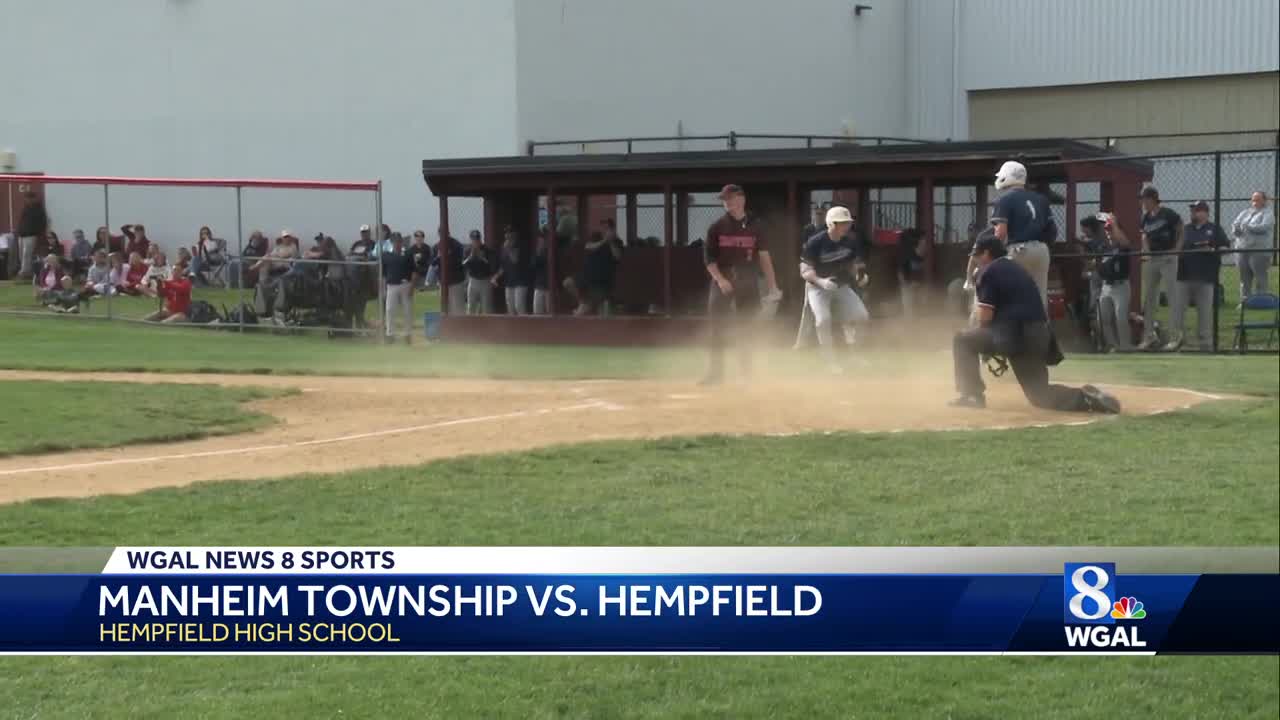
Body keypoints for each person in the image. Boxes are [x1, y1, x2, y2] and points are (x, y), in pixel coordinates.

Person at [950, 232, 1120, 414]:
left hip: (1016, 335)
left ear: (987, 253)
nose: (976, 260)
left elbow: (985, 317)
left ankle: (972, 396)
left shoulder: (988, 272)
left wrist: (990, 347)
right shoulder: (1016, 268)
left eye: (977, 255)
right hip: (1039, 335)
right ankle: (1086, 398)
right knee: (1040, 394)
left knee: (963, 340)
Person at [700, 184, 782, 386]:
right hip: (723, 280)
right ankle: (715, 374)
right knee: (717, 327)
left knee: (746, 328)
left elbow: (764, 257)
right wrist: (720, 280)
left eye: (730, 198)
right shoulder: (716, 227)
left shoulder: (757, 225)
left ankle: (746, 375)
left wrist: (772, 286)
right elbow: (709, 260)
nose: (727, 202)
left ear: (742, 199)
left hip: (748, 280)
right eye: (724, 200)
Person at [799, 205, 871, 374]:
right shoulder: (815, 242)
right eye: (842, 223)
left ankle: (855, 356)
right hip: (817, 287)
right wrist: (821, 282)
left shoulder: (850, 241)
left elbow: (853, 265)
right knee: (823, 320)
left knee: (862, 316)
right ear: (831, 224)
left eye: (847, 223)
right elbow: (804, 271)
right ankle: (829, 362)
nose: (847, 226)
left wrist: (859, 277)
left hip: (841, 285)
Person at [989, 161, 1055, 310]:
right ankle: (1041, 329)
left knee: (1011, 296)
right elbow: (1051, 232)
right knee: (1039, 297)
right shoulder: (1041, 199)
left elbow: (1000, 233)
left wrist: (996, 255)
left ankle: (1013, 331)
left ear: (1006, 177)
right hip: (1041, 251)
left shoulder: (1004, 199)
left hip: (1018, 250)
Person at [1165, 201, 1230, 351]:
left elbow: (1227, 247)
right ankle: (1176, 341)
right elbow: (1175, 248)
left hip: (1206, 277)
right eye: (1192, 211)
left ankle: (1205, 344)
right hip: (1183, 277)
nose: (1193, 213)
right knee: (1177, 310)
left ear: (1206, 213)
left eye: (1197, 211)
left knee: (1204, 312)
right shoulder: (1185, 229)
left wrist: (1212, 249)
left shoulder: (1214, 229)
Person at [1137, 186, 1183, 349]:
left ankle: (1175, 337)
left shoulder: (1168, 214)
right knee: (1149, 298)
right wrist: (1146, 252)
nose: (1142, 202)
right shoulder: (1145, 217)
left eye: (1144, 199)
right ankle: (1149, 336)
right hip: (1152, 259)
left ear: (1152, 199)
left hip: (1168, 257)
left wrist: (1177, 249)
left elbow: (1180, 228)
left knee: (1172, 296)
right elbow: (1144, 235)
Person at [1091, 214, 1132, 353]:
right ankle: (1113, 346)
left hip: (1121, 286)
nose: (1108, 233)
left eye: (1111, 230)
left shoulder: (1122, 246)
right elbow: (1098, 266)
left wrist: (1114, 224)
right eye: (1107, 230)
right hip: (1106, 286)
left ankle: (1125, 347)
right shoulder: (1104, 247)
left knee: (1120, 317)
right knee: (1102, 319)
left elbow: (1126, 244)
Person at [565, 227, 622, 316]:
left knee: (599, 309)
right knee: (568, 282)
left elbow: (617, 256)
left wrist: (610, 242)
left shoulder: (613, 245)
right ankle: (583, 303)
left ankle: (586, 307)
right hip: (585, 278)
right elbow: (590, 247)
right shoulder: (592, 245)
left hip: (602, 282)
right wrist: (604, 240)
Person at [1232, 191, 1275, 302]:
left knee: (1260, 276)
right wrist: (1236, 229)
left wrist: (1248, 226)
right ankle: (1245, 301)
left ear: (1264, 201)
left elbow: (1264, 227)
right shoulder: (1245, 212)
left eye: (1258, 199)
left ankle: (1261, 300)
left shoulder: (1268, 213)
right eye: (1253, 199)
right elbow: (1236, 223)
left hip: (1259, 250)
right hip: (1242, 249)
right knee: (1244, 277)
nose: (1255, 202)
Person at [381, 232, 416, 344]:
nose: (397, 243)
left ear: (401, 241)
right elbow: (383, 274)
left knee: (407, 310)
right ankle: (390, 334)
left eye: (399, 241)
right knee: (390, 310)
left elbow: (414, 271)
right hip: (391, 285)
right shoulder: (386, 255)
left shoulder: (408, 253)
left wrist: (412, 287)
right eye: (395, 241)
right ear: (391, 242)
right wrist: (383, 288)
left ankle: (407, 334)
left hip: (405, 284)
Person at [493, 226, 530, 315]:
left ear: (515, 235)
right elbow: (503, 266)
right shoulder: (504, 247)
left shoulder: (520, 245)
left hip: (521, 281)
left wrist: (508, 249)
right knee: (510, 308)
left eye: (510, 233)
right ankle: (513, 328)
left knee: (519, 307)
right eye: (506, 233)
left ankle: (525, 327)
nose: (508, 236)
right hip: (509, 282)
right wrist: (495, 277)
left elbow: (515, 260)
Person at [430, 228, 467, 315]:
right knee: (445, 307)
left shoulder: (457, 245)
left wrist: (448, 256)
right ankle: (448, 327)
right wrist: (439, 257)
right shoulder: (436, 246)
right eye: (441, 234)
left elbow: (460, 263)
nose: (443, 236)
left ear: (448, 233)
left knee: (458, 308)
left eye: (444, 233)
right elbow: (432, 263)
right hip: (442, 282)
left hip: (456, 282)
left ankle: (460, 327)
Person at [16, 191, 49, 280]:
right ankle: (25, 271)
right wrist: (19, 230)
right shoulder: (25, 208)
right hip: (22, 234)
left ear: (33, 199)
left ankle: (24, 272)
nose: (27, 200)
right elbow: (21, 221)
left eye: (29, 198)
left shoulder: (38, 208)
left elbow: (43, 222)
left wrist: (38, 232)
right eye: (26, 198)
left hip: (31, 234)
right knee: (21, 254)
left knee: (27, 253)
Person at [462, 230, 496, 314]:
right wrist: (470, 257)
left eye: (477, 239)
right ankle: (471, 326)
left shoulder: (487, 250)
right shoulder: (467, 250)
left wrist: (483, 258)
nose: (476, 241)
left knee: (486, 307)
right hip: (473, 280)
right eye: (474, 239)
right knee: (471, 306)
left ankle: (486, 326)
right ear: (471, 240)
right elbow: (463, 264)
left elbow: (492, 267)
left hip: (485, 281)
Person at [897, 228, 928, 318]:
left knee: (919, 308)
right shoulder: (906, 254)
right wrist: (906, 284)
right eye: (923, 240)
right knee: (910, 310)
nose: (924, 243)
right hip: (908, 285)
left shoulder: (919, 255)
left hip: (916, 285)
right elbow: (901, 273)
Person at [531, 230, 551, 315]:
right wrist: (538, 253)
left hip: (550, 287)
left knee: (550, 311)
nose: (541, 243)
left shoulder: (551, 252)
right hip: (539, 285)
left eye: (542, 240)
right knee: (537, 312)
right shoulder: (537, 252)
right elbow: (532, 266)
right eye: (539, 241)